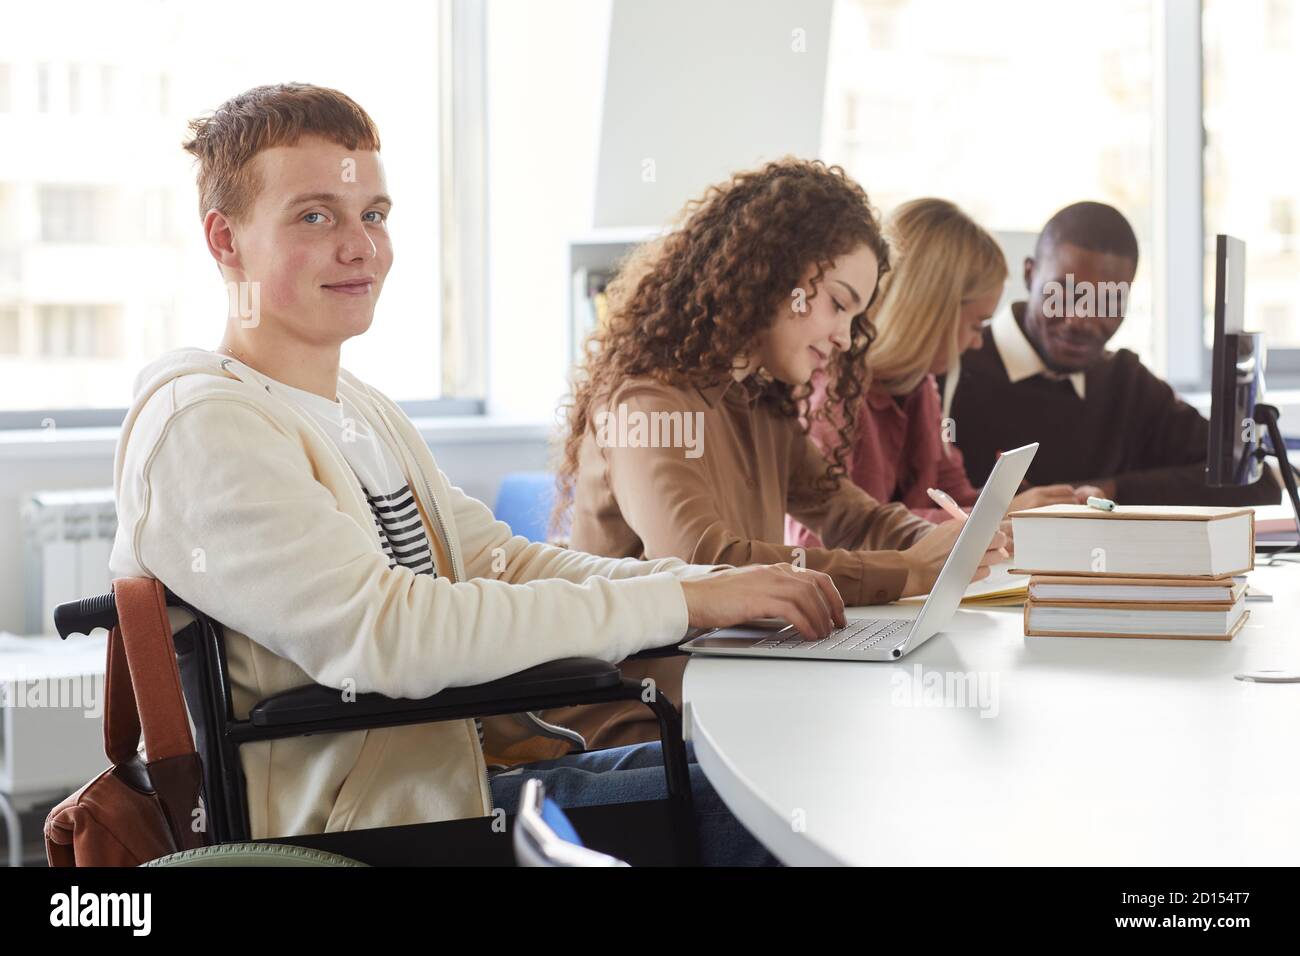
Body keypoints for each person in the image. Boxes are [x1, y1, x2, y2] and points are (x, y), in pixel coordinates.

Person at [108, 83, 843, 865]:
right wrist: (678, 599)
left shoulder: (359, 408)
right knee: (790, 818)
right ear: (225, 240)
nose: (360, 246)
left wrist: (702, 592)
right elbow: (389, 635)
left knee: (795, 774)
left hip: (463, 787)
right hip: (378, 833)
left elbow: (505, 562)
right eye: (314, 216)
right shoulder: (204, 424)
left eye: (375, 215)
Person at [535, 161, 1007, 758]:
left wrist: (945, 542)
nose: (843, 336)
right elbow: (707, 563)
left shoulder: (754, 400)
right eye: (839, 304)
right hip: (638, 731)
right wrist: (910, 570)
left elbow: (854, 515)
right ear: (772, 276)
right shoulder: (645, 403)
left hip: (728, 701)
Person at [789, 198, 1093, 551]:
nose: (979, 342)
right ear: (931, 315)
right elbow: (818, 543)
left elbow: (953, 499)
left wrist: (1027, 510)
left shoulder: (920, 388)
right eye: (975, 325)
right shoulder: (832, 391)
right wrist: (998, 515)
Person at [948, 201, 1281, 506]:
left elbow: (1252, 479)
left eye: (1106, 301)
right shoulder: (951, 365)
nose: (1081, 319)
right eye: (1064, 293)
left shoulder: (1126, 382)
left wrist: (1111, 490)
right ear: (1030, 274)